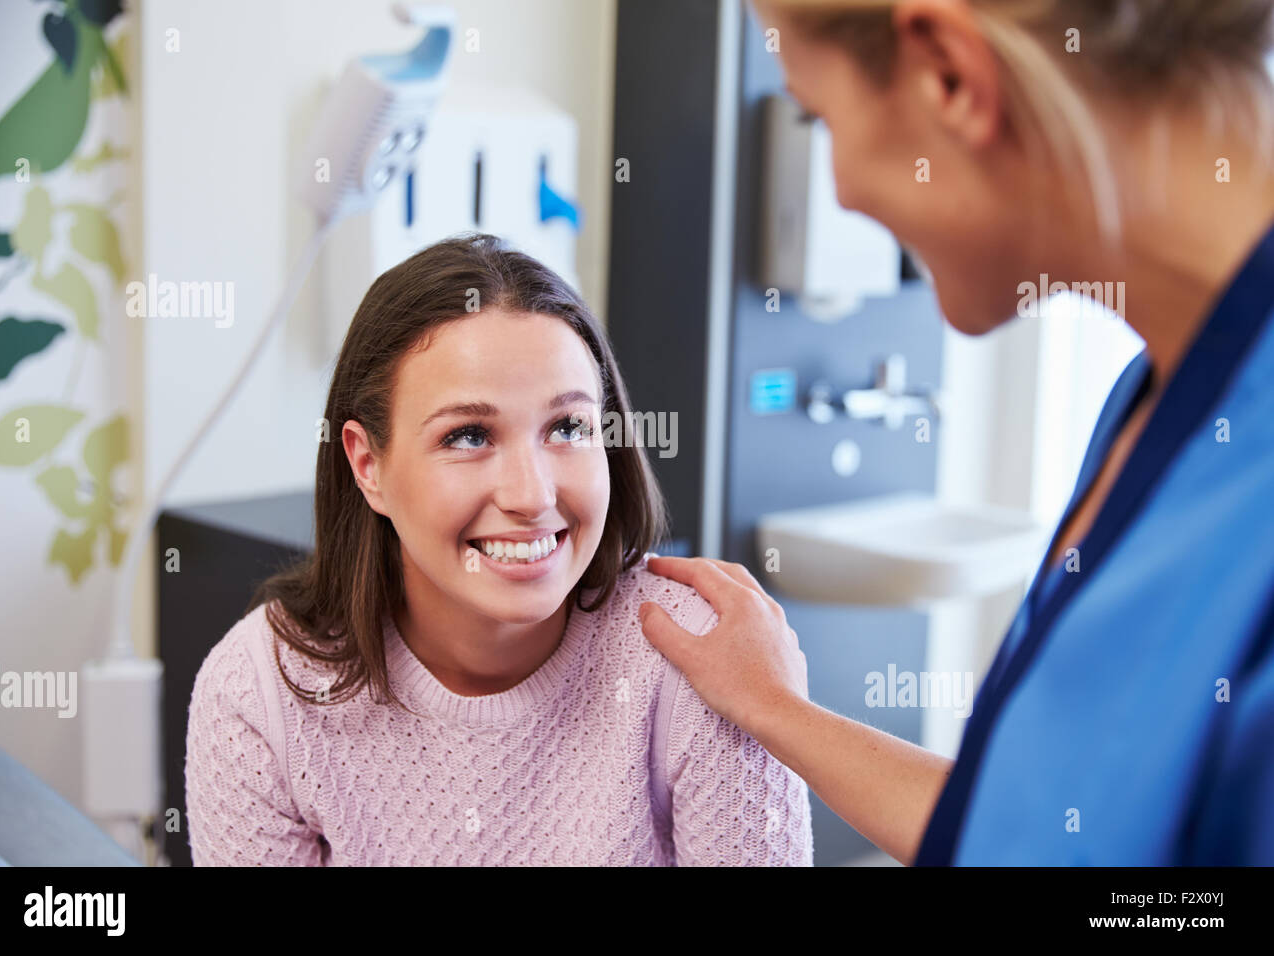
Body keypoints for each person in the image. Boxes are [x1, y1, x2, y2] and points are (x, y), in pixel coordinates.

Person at [641, 0, 1274, 864]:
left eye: (821, 119)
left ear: (949, 77)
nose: (839, 193)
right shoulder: (1155, 400)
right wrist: (776, 710)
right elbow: (1038, 827)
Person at [184, 234, 812, 866]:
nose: (531, 495)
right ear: (368, 464)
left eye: (568, 428)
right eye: (468, 436)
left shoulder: (702, 663)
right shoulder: (262, 691)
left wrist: (780, 714)